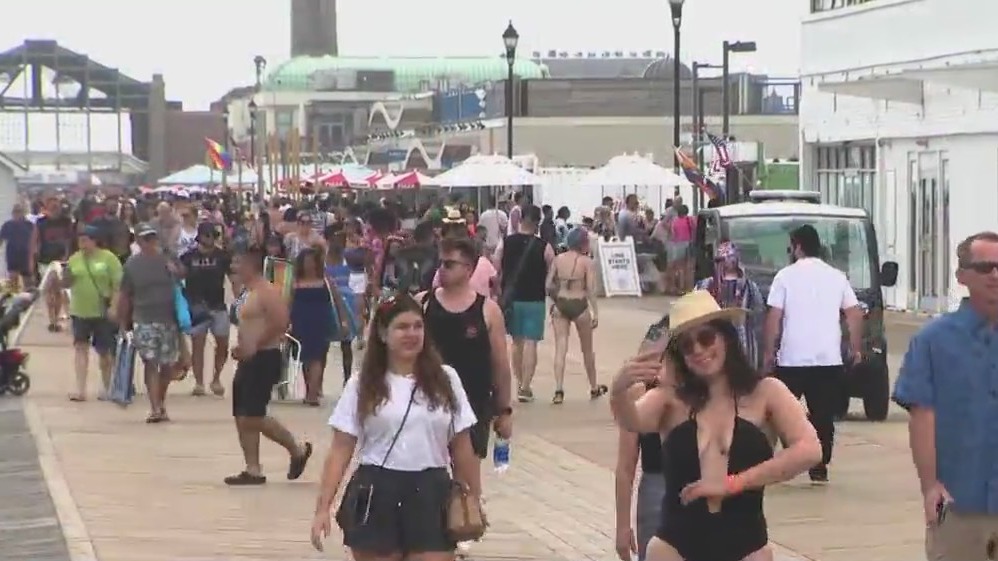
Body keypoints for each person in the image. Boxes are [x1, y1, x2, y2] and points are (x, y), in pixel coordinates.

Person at [610, 291, 821, 561]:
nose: (699, 350)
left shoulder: (765, 393)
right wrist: (619, 391)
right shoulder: (670, 398)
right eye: (687, 345)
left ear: (727, 338)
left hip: (747, 546)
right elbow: (632, 420)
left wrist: (735, 483)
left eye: (706, 338)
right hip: (674, 549)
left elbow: (810, 449)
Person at [309, 294, 482, 557]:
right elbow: (341, 449)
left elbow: (462, 447)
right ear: (382, 333)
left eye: (418, 326)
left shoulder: (446, 379)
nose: (412, 334)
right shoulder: (362, 383)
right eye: (402, 327)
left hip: (431, 490)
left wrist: (472, 499)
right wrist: (323, 508)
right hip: (377, 490)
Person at [892, 231, 998, 560]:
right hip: (961, 504)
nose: (995, 275)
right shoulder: (933, 341)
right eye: (984, 267)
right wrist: (929, 486)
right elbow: (923, 418)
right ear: (962, 276)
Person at [763, 224, 862, 484]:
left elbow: (774, 316)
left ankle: (783, 458)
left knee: (780, 411)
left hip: (791, 359)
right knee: (823, 414)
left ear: (797, 246)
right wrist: (856, 346)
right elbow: (854, 312)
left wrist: (768, 351)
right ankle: (819, 465)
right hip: (828, 359)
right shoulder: (837, 276)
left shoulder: (784, 276)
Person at [420, 235, 513, 460]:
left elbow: (500, 365)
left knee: (467, 479)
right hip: (427, 402)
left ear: (468, 269)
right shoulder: (422, 303)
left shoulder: (488, 311)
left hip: (473, 404)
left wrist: (504, 411)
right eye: (439, 263)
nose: (441, 269)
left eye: (449, 264)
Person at [225, 247, 312, 485]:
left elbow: (281, 322)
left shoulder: (267, 291)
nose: (235, 268)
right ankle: (253, 468)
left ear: (251, 265)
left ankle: (297, 449)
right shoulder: (247, 292)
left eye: (238, 263)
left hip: (265, 357)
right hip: (248, 359)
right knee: (241, 414)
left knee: (253, 415)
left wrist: (256, 345)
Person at [615, 314, 670, 561]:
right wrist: (623, 526)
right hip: (656, 491)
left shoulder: (709, 394)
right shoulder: (639, 394)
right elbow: (625, 468)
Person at [115, 223, 182, 422]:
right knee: (151, 363)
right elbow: (125, 296)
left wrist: (174, 270)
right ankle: (155, 407)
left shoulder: (167, 259)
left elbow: (184, 278)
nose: (151, 242)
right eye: (146, 238)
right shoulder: (131, 265)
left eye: (153, 237)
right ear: (138, 241)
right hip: (143, 319)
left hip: (168, 319)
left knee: (168, 365)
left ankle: (160, 401)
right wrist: (122, 323)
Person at [495, 204, 554, 402]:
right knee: (531, 343)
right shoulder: (544, 246)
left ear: (520, 220)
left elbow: (497, 268)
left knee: (516, 342)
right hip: (535, 299)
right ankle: (526, 386)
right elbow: (552, 272)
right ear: (537, 223)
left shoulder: (505, 242)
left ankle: (519, 381)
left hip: (512, 299)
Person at [64, 226, 122, 401]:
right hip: (80, 311)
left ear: (95, 240)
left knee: (105, 352)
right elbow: (67, 283)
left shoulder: (109, 258)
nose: (82, 243)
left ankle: (108, 387)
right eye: (80, 240)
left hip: (102, 312)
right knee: (80, 347)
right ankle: (80, 389)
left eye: (85, 240)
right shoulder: (75, 259)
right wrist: (64, 277)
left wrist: (114, 306)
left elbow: (118, 285)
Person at [546, 227, 604, 403]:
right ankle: (594, 387)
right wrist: (596, 312)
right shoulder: (587, 262)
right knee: (587, 350)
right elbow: (591, 289)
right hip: (580, 304)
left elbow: (548, 284)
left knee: (560, 348)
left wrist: (554, 301)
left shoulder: (558, 259)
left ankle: (558, 389)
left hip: (561, 303)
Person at [180, 223, 233, 397]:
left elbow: (233, 278)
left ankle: (216, 378)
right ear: (200, 236)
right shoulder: (188, 257)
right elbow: (179, 276)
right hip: (196, 305)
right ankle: (199, 382)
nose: (210, 239)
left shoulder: (223, 256)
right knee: (198, 345)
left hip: (218, 305)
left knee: (223, 343)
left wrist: (240, 299)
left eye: (213, 235)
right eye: (207, 235)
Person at [695, 241, 765, 370]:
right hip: (741, 345)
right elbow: (758, 317)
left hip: (714, 345)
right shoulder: (750, 286)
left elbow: (693, 313)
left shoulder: (704, 285)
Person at [290, 247, 335, 406]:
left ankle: (312, 394)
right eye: (306, 262)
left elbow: (337, 301)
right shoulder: (295, 281)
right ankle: (310, 389)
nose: (309, 265)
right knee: (305, 358)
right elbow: (288, 302)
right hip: (300, 320)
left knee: (316, 357)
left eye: (311, 261)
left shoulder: (325, 280)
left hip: (319, 320)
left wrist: (343, 321)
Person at [33, 198, 75, 331]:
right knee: (49, 290)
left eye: (57, 205)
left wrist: (67, 256)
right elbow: (37, 240)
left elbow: (69, 240)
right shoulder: (41, 222)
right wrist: (34, 257)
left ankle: (55, 319)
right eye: (52, 205)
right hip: (45, 260)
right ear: (47, 207)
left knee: (58, 291)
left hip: (61, 260)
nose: (55, 207)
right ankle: (52, 319)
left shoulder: (66, 221)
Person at [325, 239, 361, 384]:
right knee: (345, 344)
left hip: (340, 302)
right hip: (344, 302)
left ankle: (346, 379)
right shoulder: (344, 265)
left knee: (338, 343)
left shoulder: (326, 267)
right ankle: (346, 379)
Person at [0, 203, 35, 288]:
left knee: (29, 283)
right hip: (12, 257)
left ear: (23, 213)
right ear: (12, 213)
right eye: (15, 212)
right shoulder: (7, 225)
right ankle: (13, 298)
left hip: (25, 257)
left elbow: (35, 240)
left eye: (19, 211)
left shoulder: (30, 225)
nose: (17, 214)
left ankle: (29, 298)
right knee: (13, 283)